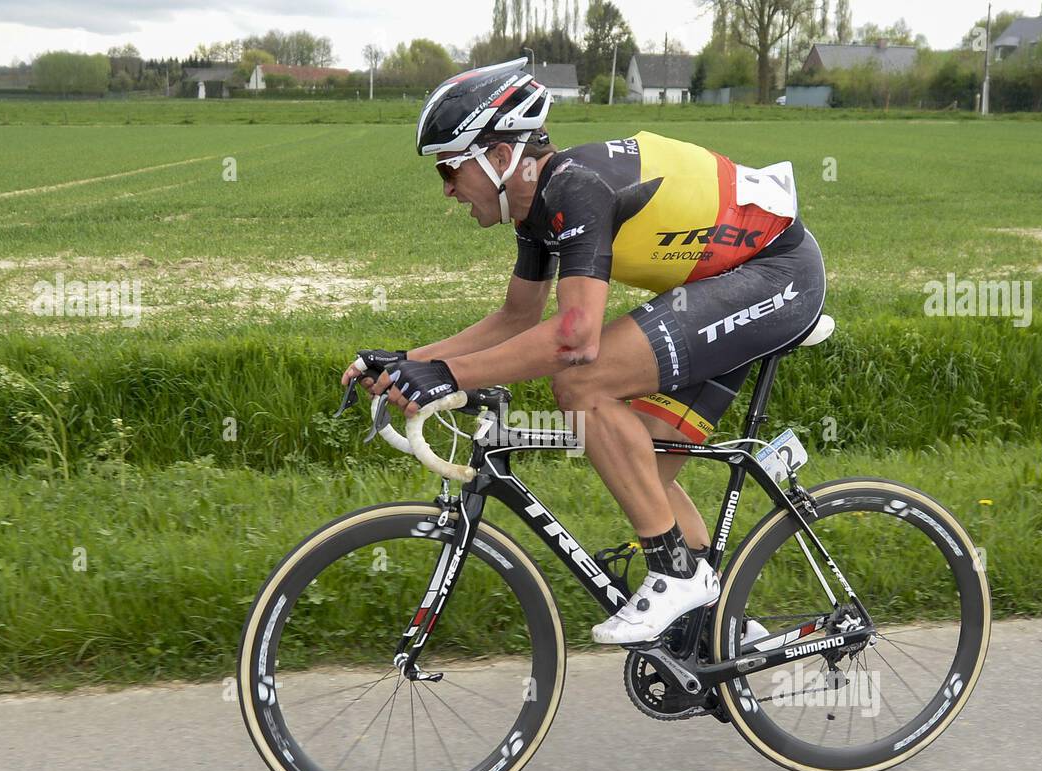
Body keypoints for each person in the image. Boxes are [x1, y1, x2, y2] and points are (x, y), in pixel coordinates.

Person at [342, 58, 827, 646]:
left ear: (499, 158)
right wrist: (407, 360)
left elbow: (575, 337)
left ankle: (676, 575)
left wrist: (446, 375)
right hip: (718, 287)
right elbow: (515, 319)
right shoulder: (536, 207)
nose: (447, 188)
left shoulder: (576, 187)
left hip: (774, 276)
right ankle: (719, 634)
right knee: (637, 459)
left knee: (580, 385)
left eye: (450, 167)